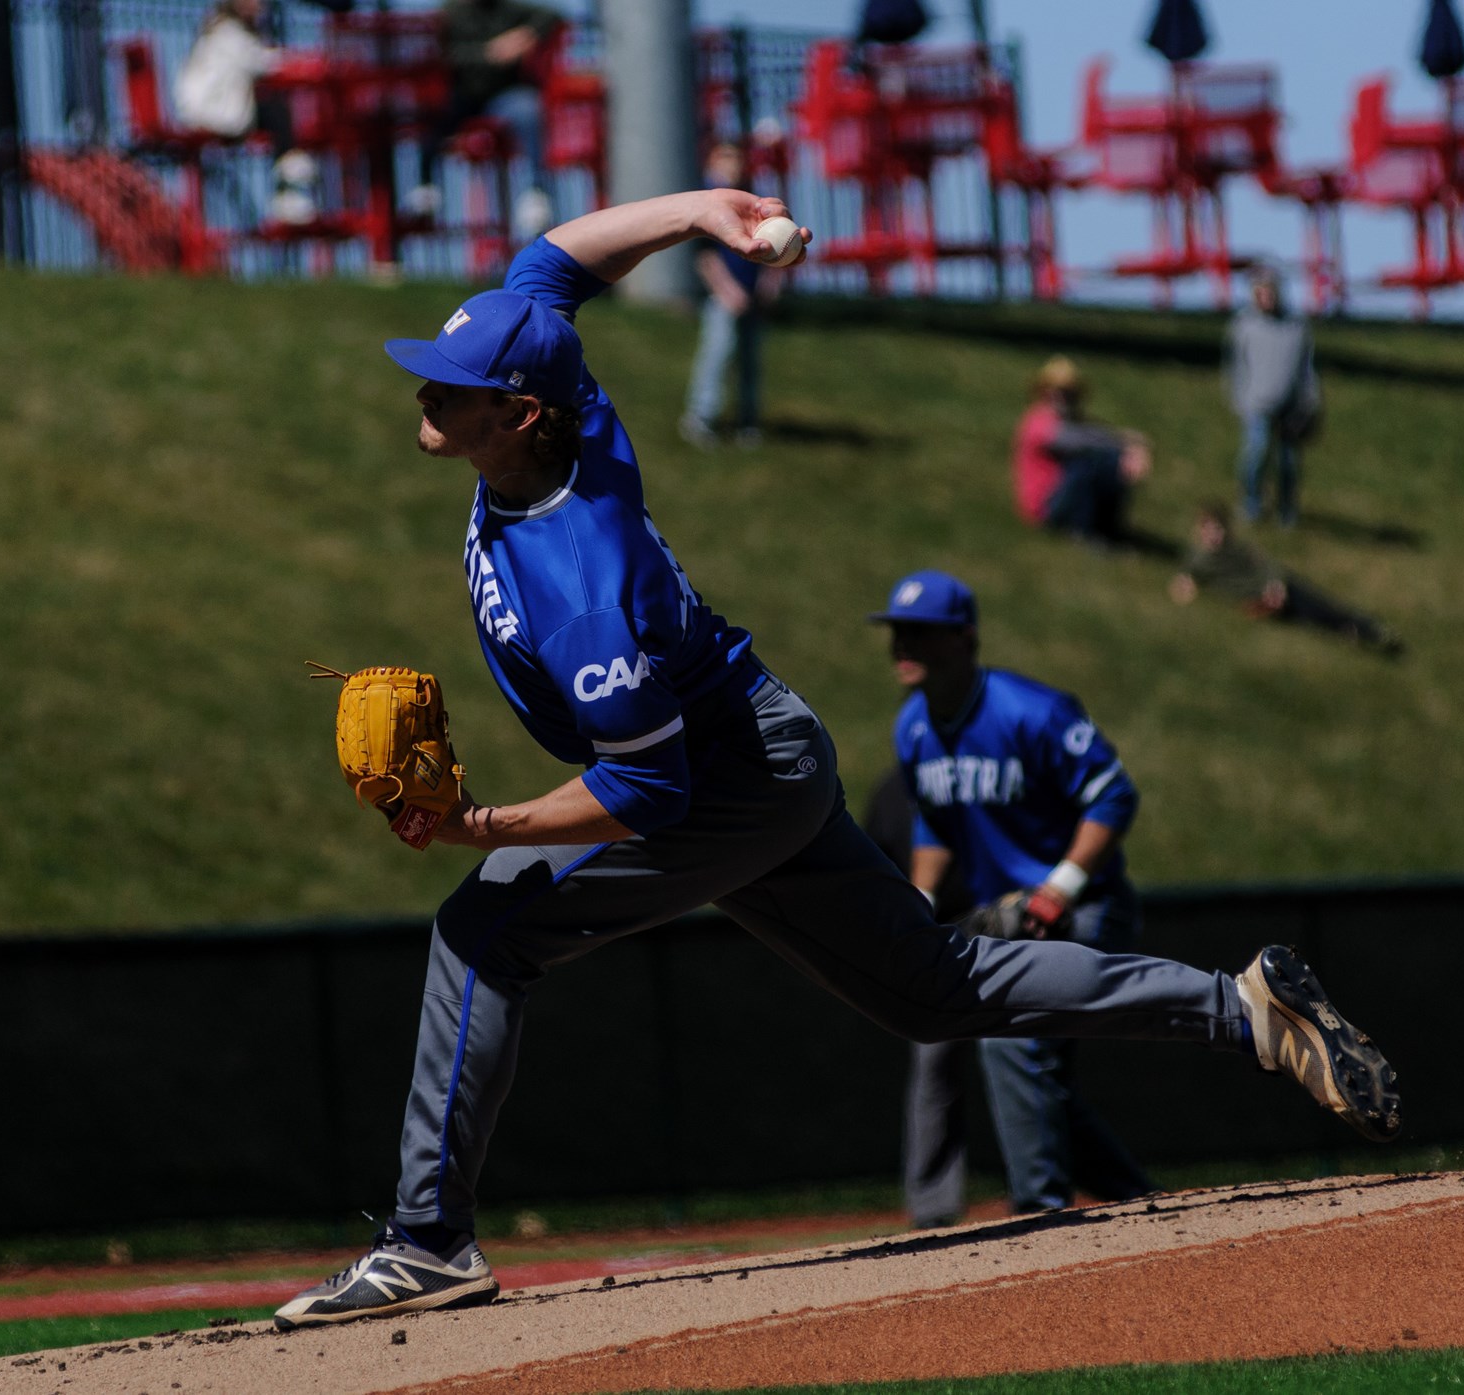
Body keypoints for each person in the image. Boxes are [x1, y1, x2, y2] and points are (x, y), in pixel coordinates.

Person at [270, 188, 1402, 1330]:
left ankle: (428, 1241)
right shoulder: (554, 400)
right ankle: (1247, 1008)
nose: (425, 388)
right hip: (757, 745)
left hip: (725, 781)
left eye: (450, 386)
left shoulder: (586, 589)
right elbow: (550, 264)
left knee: (485, 931)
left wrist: (485, 828)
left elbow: (644, 794)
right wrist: (704, 209)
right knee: (934, 993)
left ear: (516, 415)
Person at [879, 571, 1155, 1225]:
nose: (902, 644)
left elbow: (1113, 795)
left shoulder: (1032, 709)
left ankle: (1039, 1216)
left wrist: (1060, 886)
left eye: (921, 631)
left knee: (1011, 1040)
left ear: (965, 637)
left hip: (1086, 908)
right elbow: (936, 824)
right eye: (896, 630)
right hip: (1007, 920)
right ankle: (1139, 1202)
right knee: (1028, 1072)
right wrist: (918, 897)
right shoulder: (914, 727)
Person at [1170, 502, 1402, 656]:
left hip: (1280, 584)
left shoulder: (1236, 547)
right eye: (1210, 531)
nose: (1215, 536)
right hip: (1262, 600)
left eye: (1218, 530)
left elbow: (1264, 562)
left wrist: (1275, 584)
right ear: (1200, 531)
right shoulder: (1199, 559)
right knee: (1314, 618)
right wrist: (1184, 586)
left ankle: (1369, 629)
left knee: (1324, 607)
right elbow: (1185, 577)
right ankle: (1360, 631)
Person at [172, 0, 323, 223]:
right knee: (277, 112)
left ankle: (290, 181)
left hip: (214, 113)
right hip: (217, 116)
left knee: (276, 112)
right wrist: (308, 61)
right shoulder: (229, 34)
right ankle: (290, 185)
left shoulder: (219, 30)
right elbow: (265, 62)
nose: (261, 6)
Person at [427, 0, 562, 243]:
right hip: (462, 96)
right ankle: (426, 184)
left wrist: (524, 35)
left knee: (529, 109)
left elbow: (551, 16)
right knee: (429, 114)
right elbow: (440, 55)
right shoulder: (448, 14)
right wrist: (489, 53)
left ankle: (536, 191)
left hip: (505, 95)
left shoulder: (508, 9)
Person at [680, 143, 780, 450]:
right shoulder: (707, 204)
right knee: (719, 353)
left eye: (737, 158)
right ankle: (700, 418)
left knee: (750, 361)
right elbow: (704, 255)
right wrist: (725, 289)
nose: (733, 165)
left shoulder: (755, 203)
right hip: (725, 297)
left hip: (751, 295)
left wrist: (769, 280)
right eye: (725, 158)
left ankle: (748, 423)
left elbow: (773, 247)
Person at [1011, 356, 1151, 546]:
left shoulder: (1071, 421)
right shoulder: (1038, 421)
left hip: (1062, 497)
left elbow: (1090, 435)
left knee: (1110, 461)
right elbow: (1075, 441)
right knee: (1089, 464)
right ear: (1045, 391)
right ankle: (1085, 533)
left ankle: (1108, 530)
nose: (1063, 397)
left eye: (1069, 392)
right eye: (1058, 391)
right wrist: (1125, 443)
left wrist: (1127, 452)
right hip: (1045, 507)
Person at [1225, 268, 1320, 527]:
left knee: (1288, 464)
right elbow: (1236, 367)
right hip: (1257, 405)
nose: (1266, 298)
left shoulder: (1296, 326)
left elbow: (1306, 368)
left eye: (1270, 293)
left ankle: (1286, 511)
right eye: (1261, 293)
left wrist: (1311, 401)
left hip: (1290, 407)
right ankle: (1251, 504)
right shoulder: (1244, 326)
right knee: (1255, 456)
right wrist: (1240, 400)